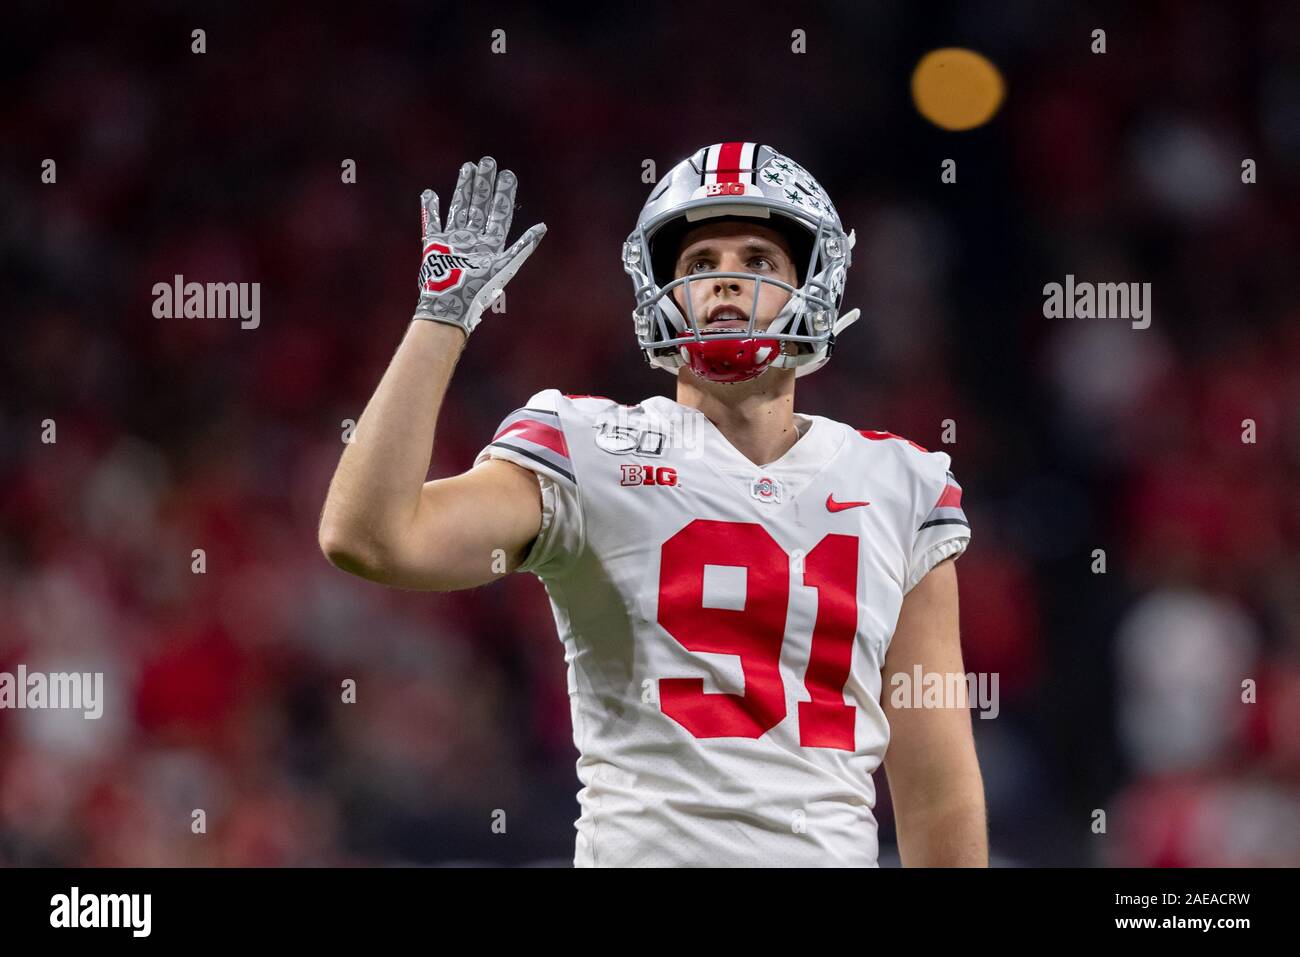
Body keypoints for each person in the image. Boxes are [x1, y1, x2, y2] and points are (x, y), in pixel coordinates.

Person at [318, 143, 987, 867]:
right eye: (699, 265)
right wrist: (441, 317)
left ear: (815, 284)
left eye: (759, 261)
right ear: (660, 292)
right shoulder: (588, 447)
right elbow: (370, 536)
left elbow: (937, 788)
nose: (725, 284)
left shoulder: (899, 484)